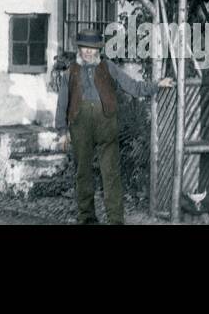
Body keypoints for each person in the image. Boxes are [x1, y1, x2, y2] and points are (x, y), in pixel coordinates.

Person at [55, 29, 171, 224]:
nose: (88, 52)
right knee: (82, 173)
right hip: (79, 126)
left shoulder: (109, 67)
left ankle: (115, 219)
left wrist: (157, 84)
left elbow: (133, 87)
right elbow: (62, 103)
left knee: (111, 174)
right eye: (84, 48)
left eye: (92, 48)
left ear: (98, 50)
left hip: (106, 126)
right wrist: (62, 131)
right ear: (79, 49)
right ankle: (86, 217)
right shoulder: (71, 72)